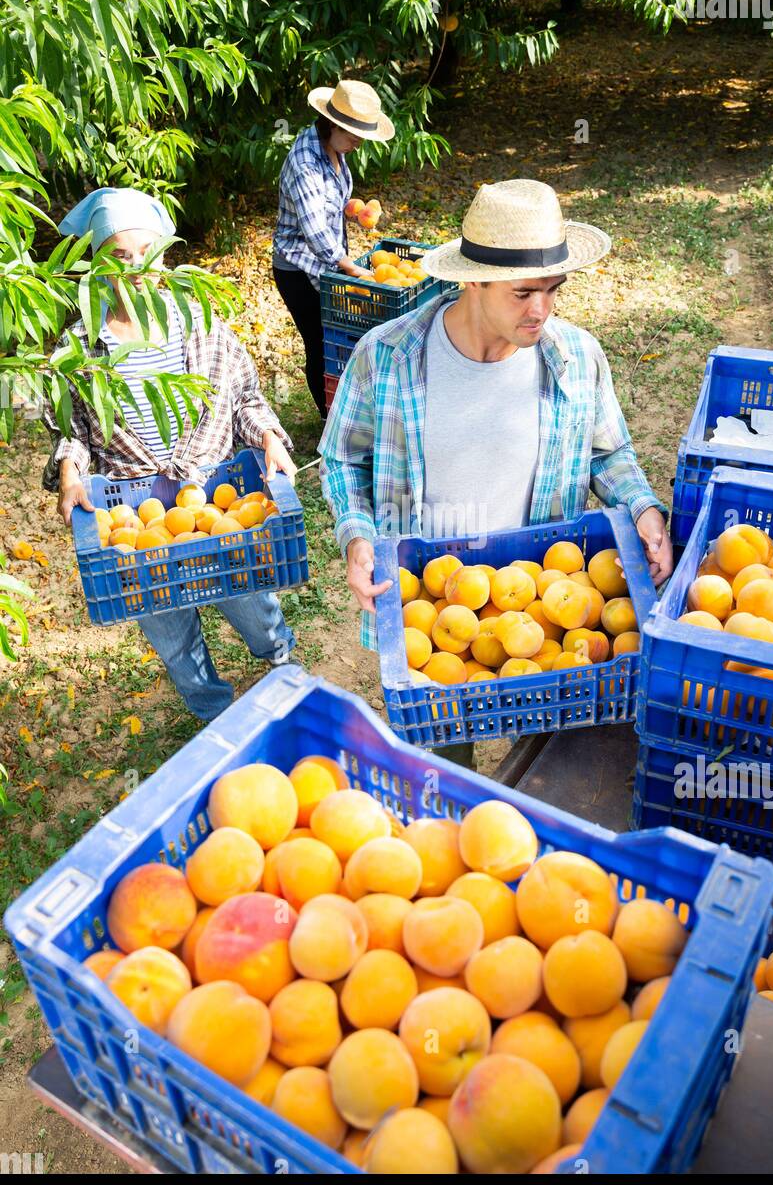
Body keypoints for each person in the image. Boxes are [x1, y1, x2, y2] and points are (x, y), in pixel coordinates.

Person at [318, 178, 673, 765]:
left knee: (540, 765)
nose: (542, 310)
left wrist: (642, 508)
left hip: (546, 605)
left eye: (553, 290)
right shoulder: (387, 356)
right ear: (472, 280)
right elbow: (341, 458)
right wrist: (356, 536)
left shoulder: (575, 357)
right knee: (444, 765)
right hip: (431, 607)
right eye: (523, 293)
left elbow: (609, 454)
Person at [42, 186, 298, 723]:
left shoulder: (199, 325)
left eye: (147, 255)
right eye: (119, 257)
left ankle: (277, 655)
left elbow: (244, 397)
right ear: (96, 264)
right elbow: (75, 431)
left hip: (212, 497)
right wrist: (70, 472)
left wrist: (270, 437)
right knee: (165, 619)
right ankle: (211, 708)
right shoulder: (82, 347)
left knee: (248, 592)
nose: (136, 270)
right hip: (135, 511)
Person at [272, 79, 395, 418]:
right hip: (299, 268)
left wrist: (350, 207)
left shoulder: (334, 150)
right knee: (322, 343)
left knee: (340, 338)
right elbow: (313, 232)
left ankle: (348, 414)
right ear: (332, 123)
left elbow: (323, 203)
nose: (358, 141)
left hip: (326, 263)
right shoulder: (305, 163)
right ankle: (329, 422)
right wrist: (353, 268)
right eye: (353, 133)